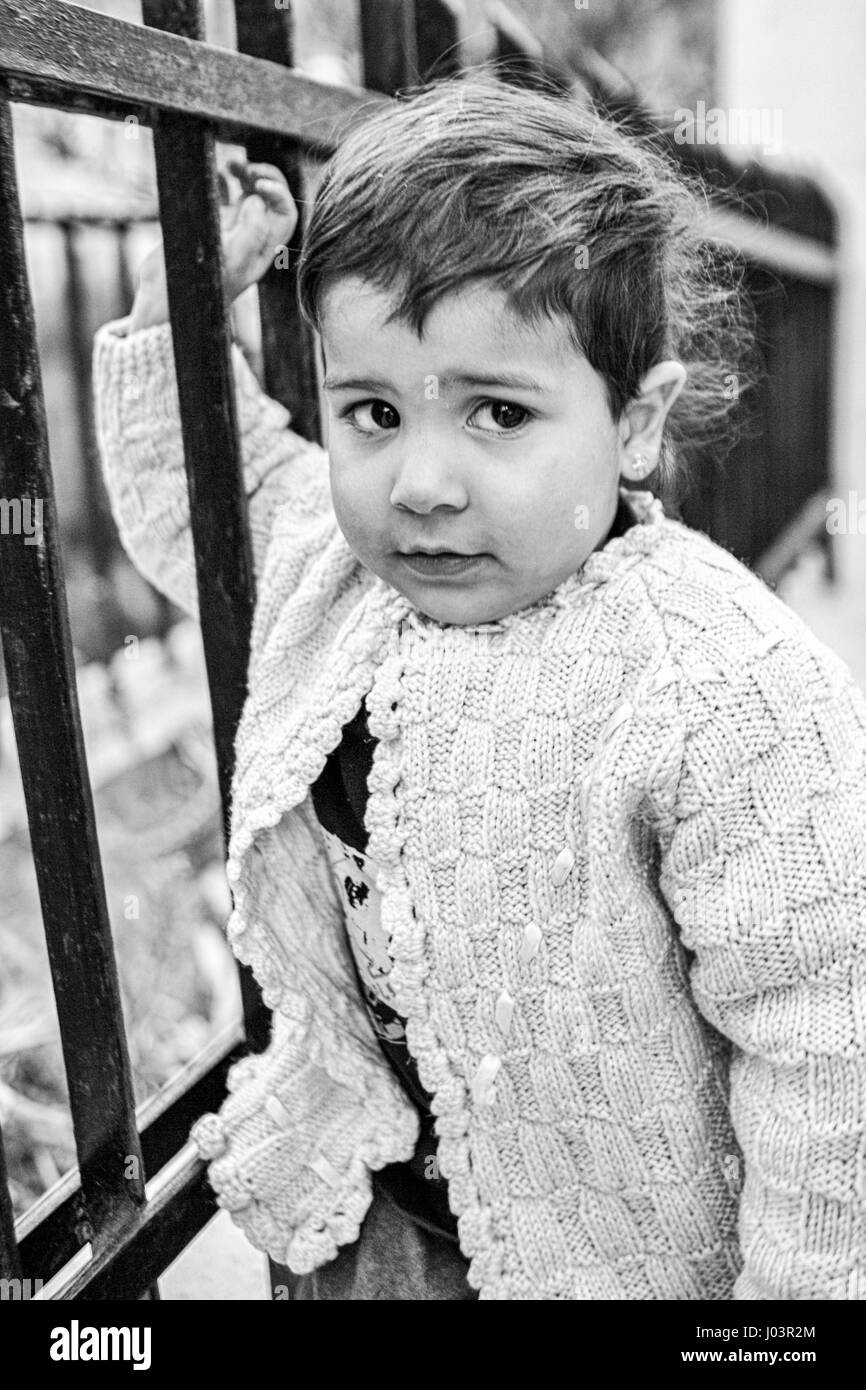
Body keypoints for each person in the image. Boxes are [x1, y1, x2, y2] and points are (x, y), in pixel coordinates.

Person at [93, 74, 866, 1301]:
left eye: (497, 410)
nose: (420, 482)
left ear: (633, 423)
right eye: (372, 411)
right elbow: (208, 489)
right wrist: (177, 302)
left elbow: (823, 1044)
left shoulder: (721, 686)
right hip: (379, 1221)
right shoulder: (339, 570)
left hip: (619, 1259)